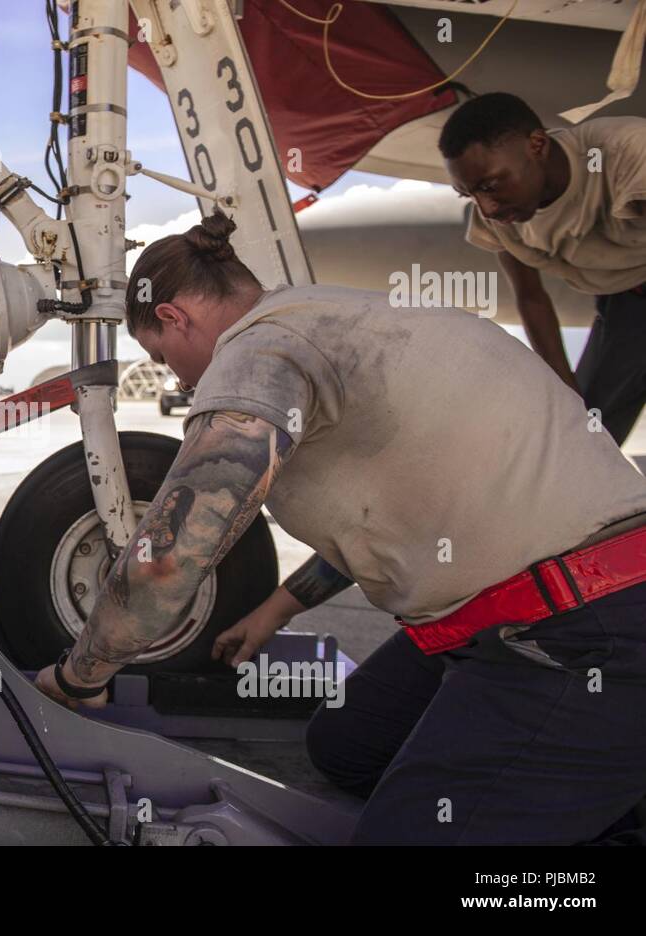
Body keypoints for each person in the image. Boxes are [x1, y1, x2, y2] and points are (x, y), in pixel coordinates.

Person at [33, 211, 646, 844]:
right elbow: (383, 512)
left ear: (174, 318)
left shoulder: (258, 350)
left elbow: (165, 562)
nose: (178, 380)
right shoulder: (327, 318)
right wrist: (276, 607)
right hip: (509, 613)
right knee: (346, 746)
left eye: (164, 358)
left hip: (586, 633)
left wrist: (80, 676)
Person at [440, 92, 646, 444]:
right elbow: (531, 299)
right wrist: (567, 398)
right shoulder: (499, 219)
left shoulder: (624, 152)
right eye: (470, 194)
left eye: (490, 186)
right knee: (585, 440)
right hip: (628, 302)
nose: (486, 208)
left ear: (537, 145)